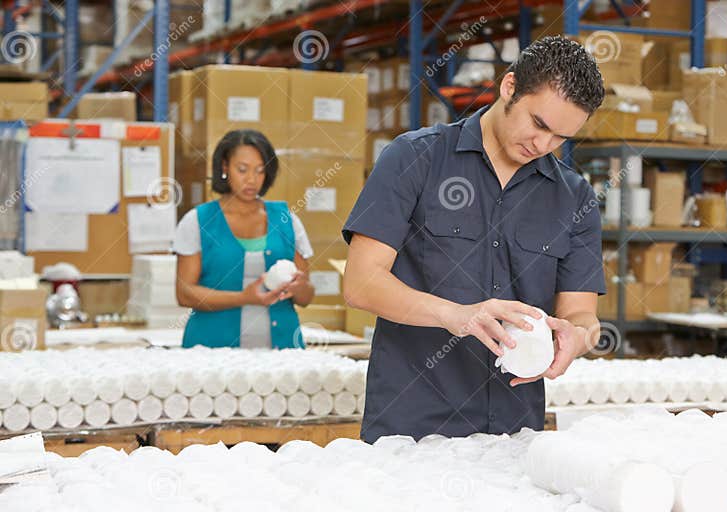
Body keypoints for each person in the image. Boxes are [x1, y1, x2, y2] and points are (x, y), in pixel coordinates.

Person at [342, 36, 606, 443]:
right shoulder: (415, 159)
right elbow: (361, 283)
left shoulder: (575, 198)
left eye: (560, 139)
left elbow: (582, 315)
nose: (543, 146)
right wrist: (456, 315)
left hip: (514, 433)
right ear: (509, 87)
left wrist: (578, 338)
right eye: (539, 125)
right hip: (410, 430)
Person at [174, 129, 315, 349]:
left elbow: (306, 296)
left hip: (282, 358)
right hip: (210, 356)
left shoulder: (287, 220)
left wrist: (299, 288)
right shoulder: (198, 221)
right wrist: (243, 298)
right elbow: (184, 293)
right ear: (224, 167)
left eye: (260, 171)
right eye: (242, 170)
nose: (252, 180)